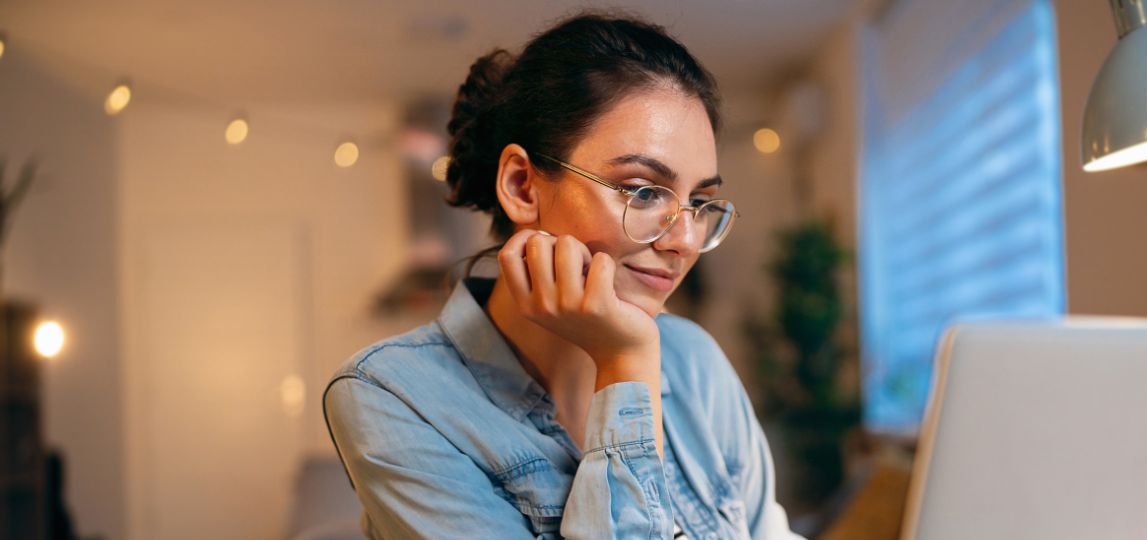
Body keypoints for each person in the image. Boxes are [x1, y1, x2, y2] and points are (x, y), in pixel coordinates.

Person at [323, 12, 802, 539]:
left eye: (700, 202)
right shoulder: (394, 397)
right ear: (523, 186)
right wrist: (625, 363)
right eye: (643, 191)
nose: (684, 240)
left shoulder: (694, 362)